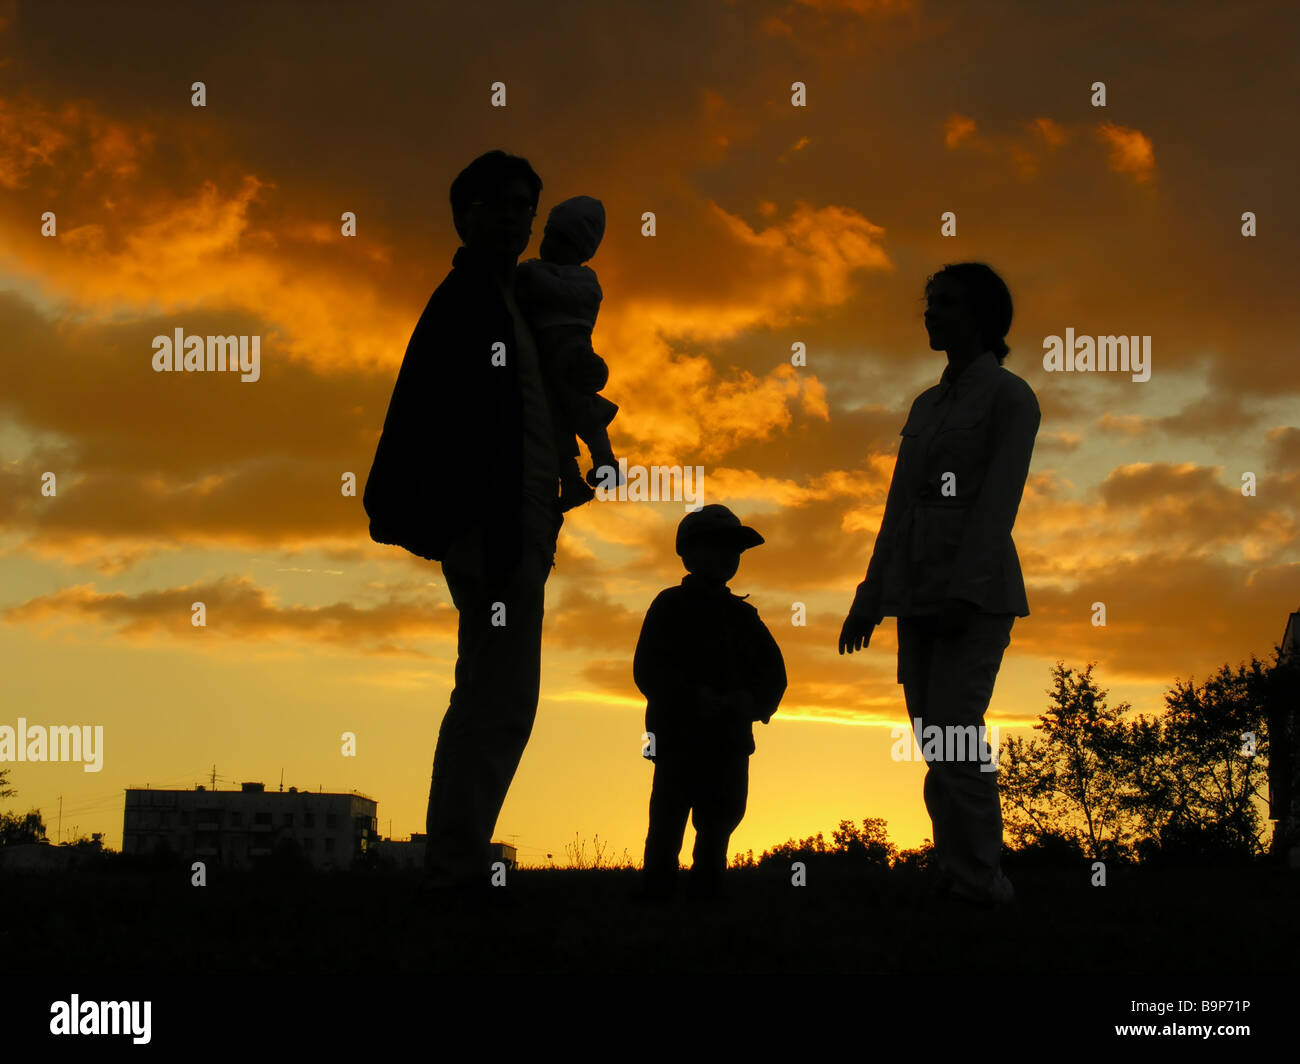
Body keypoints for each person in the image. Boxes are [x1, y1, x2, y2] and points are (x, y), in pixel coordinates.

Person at [363, 150, 563, 893]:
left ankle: (457, 859)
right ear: (466, 214)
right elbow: (436, 422)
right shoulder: (465, 301)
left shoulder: (508, 299)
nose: (516, 217)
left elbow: (521, 416)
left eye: (526, 207)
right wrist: (468, 528)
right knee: (496, 698)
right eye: (501, 204)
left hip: (520, 527)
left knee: (497, 694)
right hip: (496, 533)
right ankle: (455, 865)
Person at [838, 262, 1040, 907]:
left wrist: (966, 591)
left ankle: (985, 880)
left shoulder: (1011, 398)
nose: (931, 314)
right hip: (915, 591)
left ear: (981, 316)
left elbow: (997, 504)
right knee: (934, 739)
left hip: (972, 596)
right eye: (930, 304)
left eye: (946, 304)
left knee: (956, 729)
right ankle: (956, 872)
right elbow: (898, 508)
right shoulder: (926, 404)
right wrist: (870, 597)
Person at [634, 505, 787, 900]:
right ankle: (658, 900)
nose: (725, 557)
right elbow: (648, 669)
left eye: (732, 550)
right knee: (667, 825)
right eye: (715, 547)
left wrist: (749, 704)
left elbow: (774, 676)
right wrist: (691, 697)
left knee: (719, 825)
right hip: (677, 740)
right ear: (688, 554)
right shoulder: (669, 605)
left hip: (729, 743)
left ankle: (706, 899)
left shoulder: (744, 616)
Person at [514, 195, 621, 512]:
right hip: (545, 360)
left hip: (571, 352)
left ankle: (605, 462)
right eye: (550, 235)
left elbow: (563, 294)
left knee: (583, 409)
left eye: (563, 241)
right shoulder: (532, 272)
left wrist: (535, 277)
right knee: (554, 419)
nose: (551, 245)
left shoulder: (583, 279)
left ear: (581, 252)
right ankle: (571, 479)